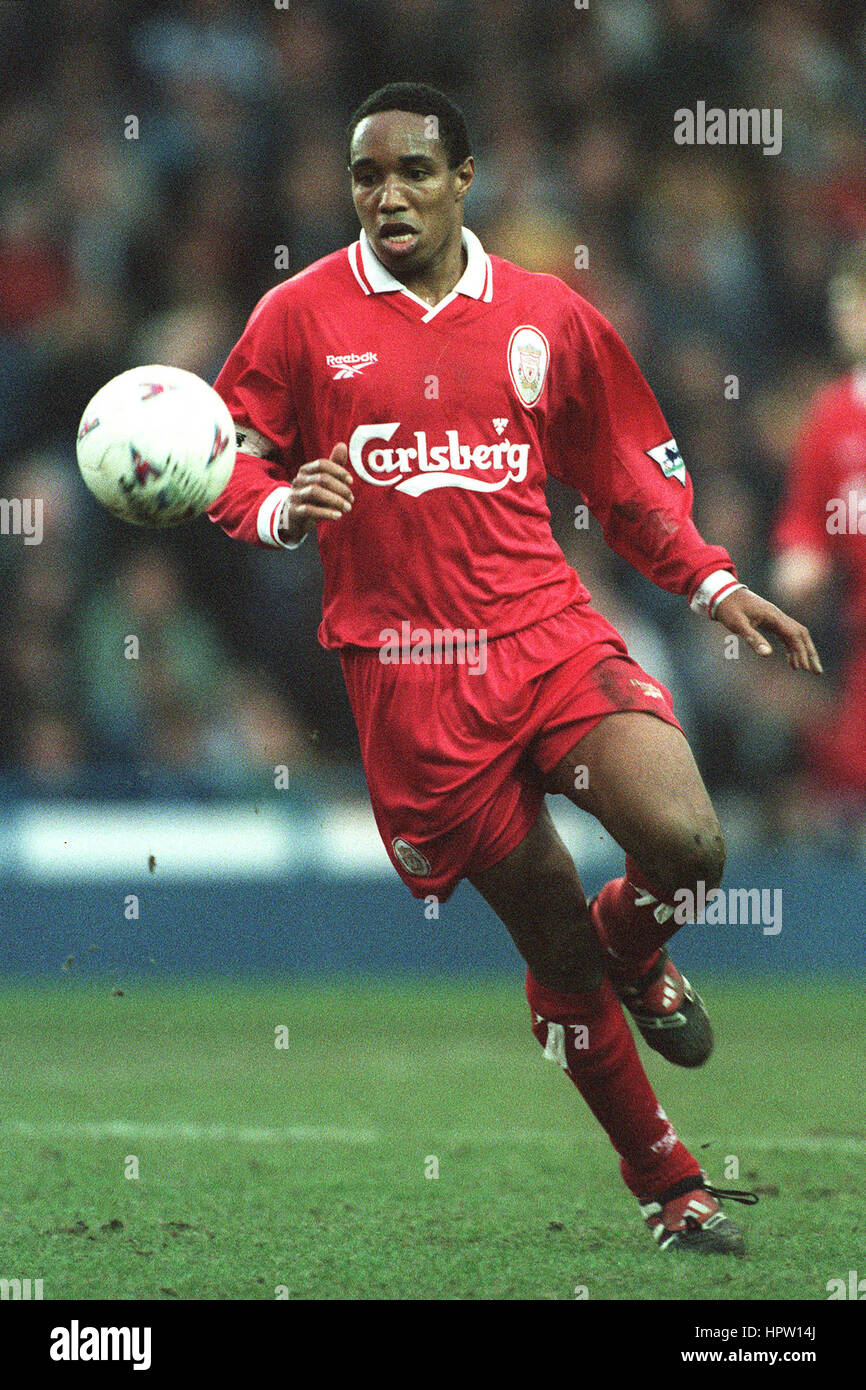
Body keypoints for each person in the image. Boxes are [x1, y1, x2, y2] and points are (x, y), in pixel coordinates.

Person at [208, 83, 821, 1255]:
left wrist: (709, 581)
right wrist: (282, 507)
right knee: (553, 949)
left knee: (689, 845)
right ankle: (669, 1185)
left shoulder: (547, 316)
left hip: (545, 636)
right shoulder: (296, 317)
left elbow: (626, 477)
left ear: (464, 179)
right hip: (407, 683)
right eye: (365, 176)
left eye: (412, 172)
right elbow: (223, 461)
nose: (386, 195)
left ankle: (636, 946)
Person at [772, 238, 866, 818]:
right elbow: (803, 530)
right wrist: (798, 567)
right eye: (843, 300)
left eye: (855, 300)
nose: (844, 314)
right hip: (859, 652)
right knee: (844, 773)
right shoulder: (832, 415)